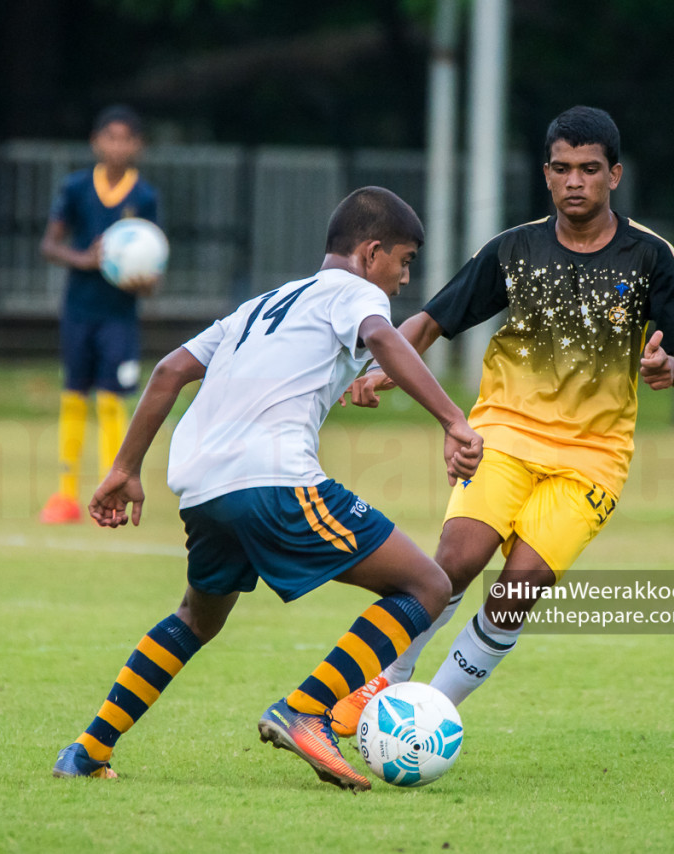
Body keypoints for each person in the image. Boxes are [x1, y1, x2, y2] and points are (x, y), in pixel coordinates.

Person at [51, 187, 483, 791]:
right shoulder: (355, 292)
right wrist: (453, 418)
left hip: (203, 489)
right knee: (428, 584)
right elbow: (384, 337)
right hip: (273, 480)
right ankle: (308, 709)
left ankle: (87, 750)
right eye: (404, 262)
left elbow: (171, 370)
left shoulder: (263, 304)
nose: (403, 280)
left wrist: (126, 468)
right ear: (371, 252)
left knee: (197, 618)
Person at [330, 106, 674, 734]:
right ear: (547, 174)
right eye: (562, 169)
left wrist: (671, 365)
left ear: (614, 175)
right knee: (453, 560)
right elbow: (430, 320)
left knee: (518, 590)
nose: (575, 182)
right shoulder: (514, 249)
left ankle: (430, 716)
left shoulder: (652, 257)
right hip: (503, 432)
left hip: (593, 457)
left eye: (589, 169)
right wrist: (376, 369)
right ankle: (380, 685)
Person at [38, 105, 162, 524]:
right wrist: (86, 259)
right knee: (74, 394)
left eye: (126, 139)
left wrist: (140, 278)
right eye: (110, 137)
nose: (117, 146)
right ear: (96, 142)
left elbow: (152, 268)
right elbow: (50, 246)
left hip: (119, 316)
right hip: (79, 310)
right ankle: (66, 494)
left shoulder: (144, 197)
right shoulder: (76, 188)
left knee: (113, 398)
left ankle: (113, 488)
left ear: (138, 146)